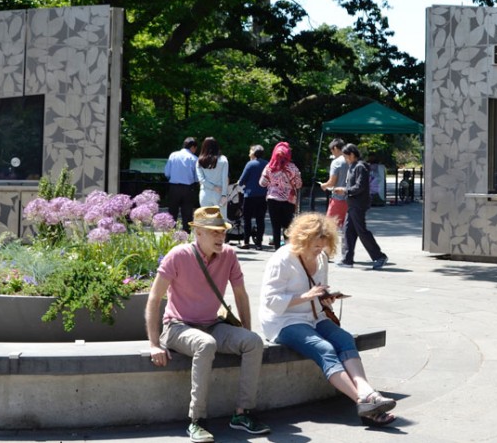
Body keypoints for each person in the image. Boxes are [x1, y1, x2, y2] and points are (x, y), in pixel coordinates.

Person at [145, 206, 271, 442]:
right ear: (198, 233)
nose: (220, 237)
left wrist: (244, 331)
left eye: (222, 232)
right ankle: (197, 420)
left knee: (253, 342)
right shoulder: (178, 255)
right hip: (177, 326)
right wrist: (154, 344)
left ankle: (242, 414)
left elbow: (241, 295)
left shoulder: (230, 255)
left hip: (212, 324)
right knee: (206, 344)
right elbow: (153, 299)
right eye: (214, 232)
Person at [259, 213, 397, 426]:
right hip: (284, 321)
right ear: (302, 240)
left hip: (314, 315)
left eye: (322, 246)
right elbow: (270, 301)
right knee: (324, 348)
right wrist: (305, 296)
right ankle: (362, 401)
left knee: (344, 339)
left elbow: (318, 292)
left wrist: (326, 299)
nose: (319, 251)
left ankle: (368, 393)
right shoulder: (282, 259)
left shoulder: (322, 258)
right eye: (314, 247)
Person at [334, 144, 389, 270]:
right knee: (347, 231)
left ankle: (379, 256)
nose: (345, 159)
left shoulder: (361, 166)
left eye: (346, 156)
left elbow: (360, 186)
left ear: (352, 155)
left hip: (358, 204)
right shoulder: (353, 166)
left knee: (361, 231)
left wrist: (345, 190)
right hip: (352, 204)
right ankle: (347, 259)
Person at [259, 141, 302, 250]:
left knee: (275, 226)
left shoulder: (269, 167)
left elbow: (262, 183)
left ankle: (277, 249)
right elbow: (298, 184)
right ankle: (288, 249)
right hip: (288, 200)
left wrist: (273, 183)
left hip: (273, 199)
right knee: (288, 226)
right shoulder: (293, 168)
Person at [319, 138, 349, 258]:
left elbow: (332, 182)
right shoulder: (350, 160)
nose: (332, 153)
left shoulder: (337, 162)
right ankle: (347, 254)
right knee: (348, 229)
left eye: (332, 150)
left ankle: (326, 252)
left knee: (329, 227)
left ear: (335, 148)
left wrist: (324, 185)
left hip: (338, 199)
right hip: (351, 198)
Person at [237, 145, 269, 250]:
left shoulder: (250, 164)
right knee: (260, 219)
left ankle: (246, 242)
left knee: (247, 219)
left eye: (250, 151)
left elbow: (241, 181)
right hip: (263, 195)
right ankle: (259, 243)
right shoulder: (267, 164)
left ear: (254, 153)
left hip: (250, 195)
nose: (249, 152)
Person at [165, 137, 200, 230]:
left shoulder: (173, 155)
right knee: (187, 214)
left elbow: (167, 173)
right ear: (193, 147)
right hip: (188, 189)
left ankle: (170, 234)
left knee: (172, 213)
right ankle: (186, 237)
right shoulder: (194, 158)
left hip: (173, 187)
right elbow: (197, 177)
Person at [196, 137, 230, 218]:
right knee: (221, 222)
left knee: (207, 222)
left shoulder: (199, 161)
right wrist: (224, 195)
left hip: (205, 193)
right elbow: (224, 179)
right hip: (220, 193)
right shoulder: (223, 159)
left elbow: (201, 180)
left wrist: (213, 187)